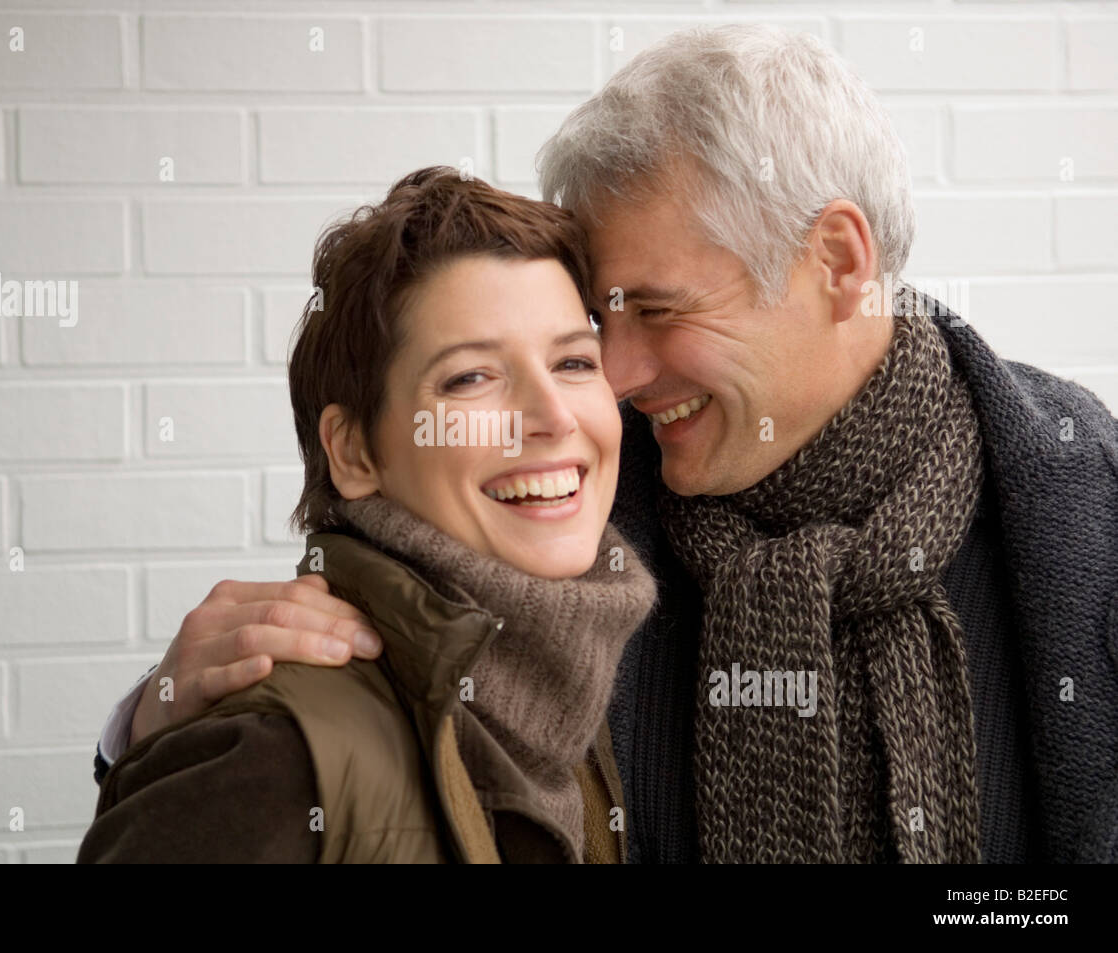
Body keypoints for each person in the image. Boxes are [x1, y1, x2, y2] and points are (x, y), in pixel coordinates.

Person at [93, 25, 1118, 863]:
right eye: (598, 319)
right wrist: (157, 720)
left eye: (655, 311)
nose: (613, 374)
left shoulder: (1077, 497)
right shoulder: (559, 519)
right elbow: (355, 714)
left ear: (839, 262)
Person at [77, 167, 658, 863]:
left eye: (573, 361)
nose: (554, 417)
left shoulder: (565, 693)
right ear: (352, 452)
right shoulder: (272, 752)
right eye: (471, 377)